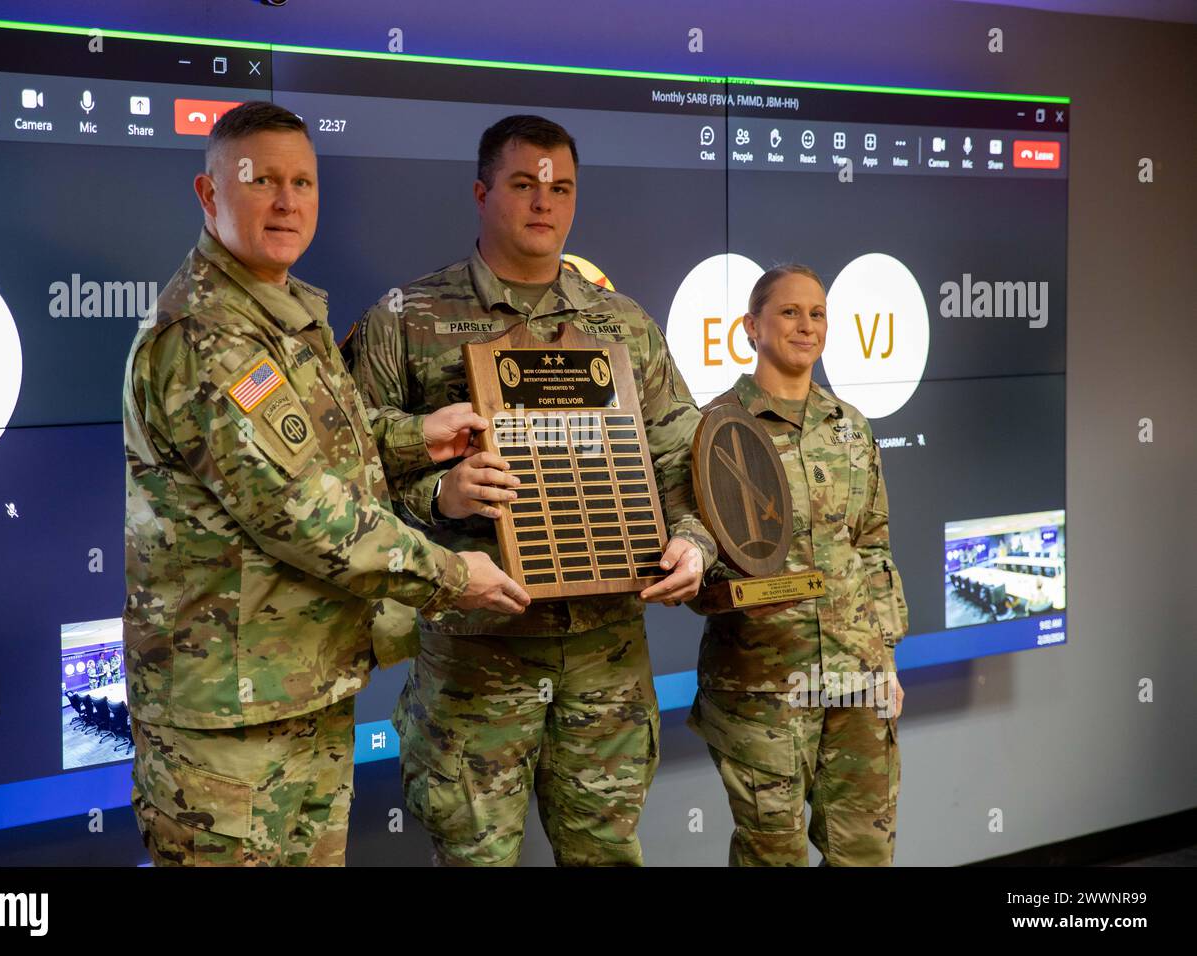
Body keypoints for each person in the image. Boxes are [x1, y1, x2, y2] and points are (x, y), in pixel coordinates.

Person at [121, 101, 529, 867]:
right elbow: (302, 512)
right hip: (227, 727)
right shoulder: (209, 336)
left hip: (300, 691)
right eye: (262, 180)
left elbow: (312, 447)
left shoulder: (276, 315)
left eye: (302, 182)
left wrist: (417, 436)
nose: (287, 201)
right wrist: (450, 575)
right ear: (210, 196)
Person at [348, 114, 715, 866]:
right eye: (523, 184)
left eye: (560, 188)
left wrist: (695, 541)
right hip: (475, 665)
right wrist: (440, 496)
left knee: (606, 855)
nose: (543, 202)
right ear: (482, 193)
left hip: (605, 659)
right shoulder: (405, 321)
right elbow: (346, 483)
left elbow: (683, 455)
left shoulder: (623, 325)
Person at [686, 264, 909, 866]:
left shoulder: (851, 428)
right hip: (763, 689)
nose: (805, 325)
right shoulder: (714, 429)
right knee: (772, 857)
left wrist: (885, 660)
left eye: (817, 313)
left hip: (857, 682)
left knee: (865, 851)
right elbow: (693, 567)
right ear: (751, 327)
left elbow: (873, 547)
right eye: (788, 312)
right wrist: (735, 592)